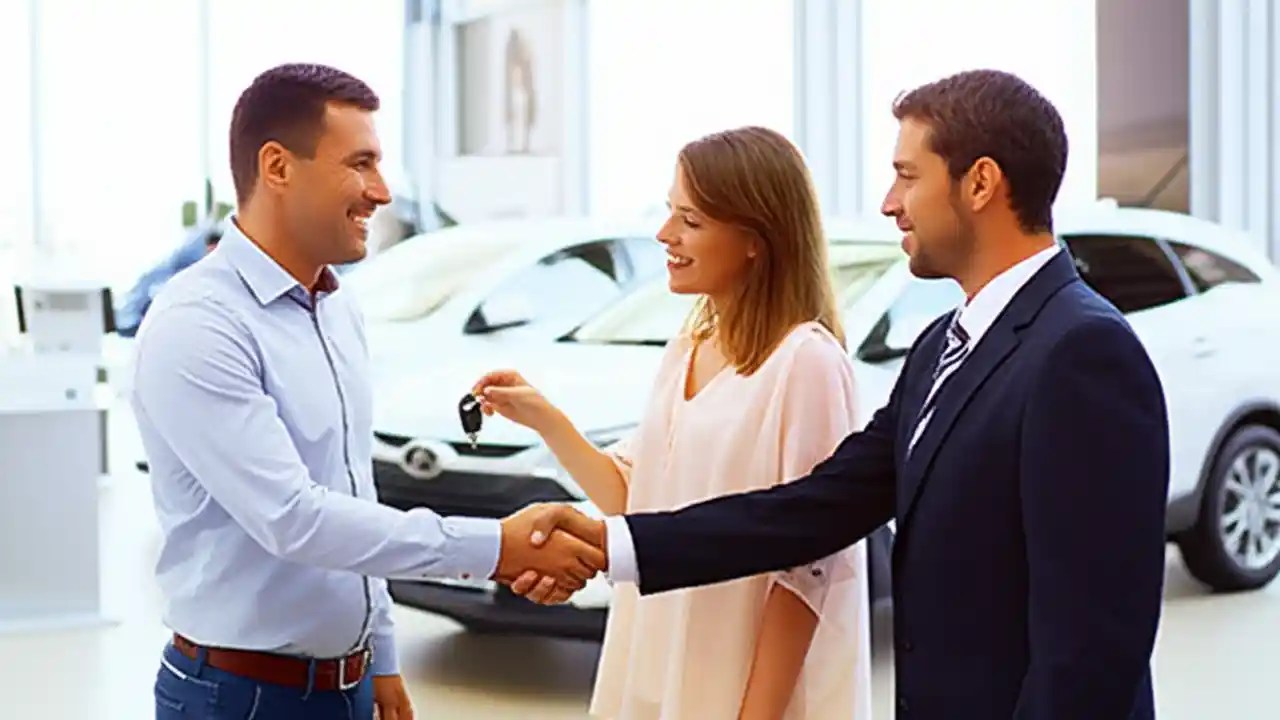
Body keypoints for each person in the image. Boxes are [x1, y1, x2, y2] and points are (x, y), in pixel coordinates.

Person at [514, 69, 1171, 719]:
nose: (889, 202)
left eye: (907, 176)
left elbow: (1092, 650)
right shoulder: (943, 345)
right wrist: (612, 543)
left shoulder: (1083, 352)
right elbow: (812, 511)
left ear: (980, 183)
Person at [129, 63, 604, 720]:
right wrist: (497, 547)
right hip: (239, 699)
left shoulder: (335, 308)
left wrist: (378, 654)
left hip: (345, 686)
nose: (381, 192)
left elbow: (353, 492)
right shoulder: (199, 325)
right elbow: (294, 519)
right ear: (277, 166)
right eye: (361, 164)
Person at [473, 126, 872, 719]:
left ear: (755, 238)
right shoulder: (689, 343)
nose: (664, 235)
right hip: (659, 660)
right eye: (670, 213)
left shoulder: (806, 362)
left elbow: (809, 568)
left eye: (690, 220)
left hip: (747, 685)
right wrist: (545, 420)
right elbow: (635, 503)